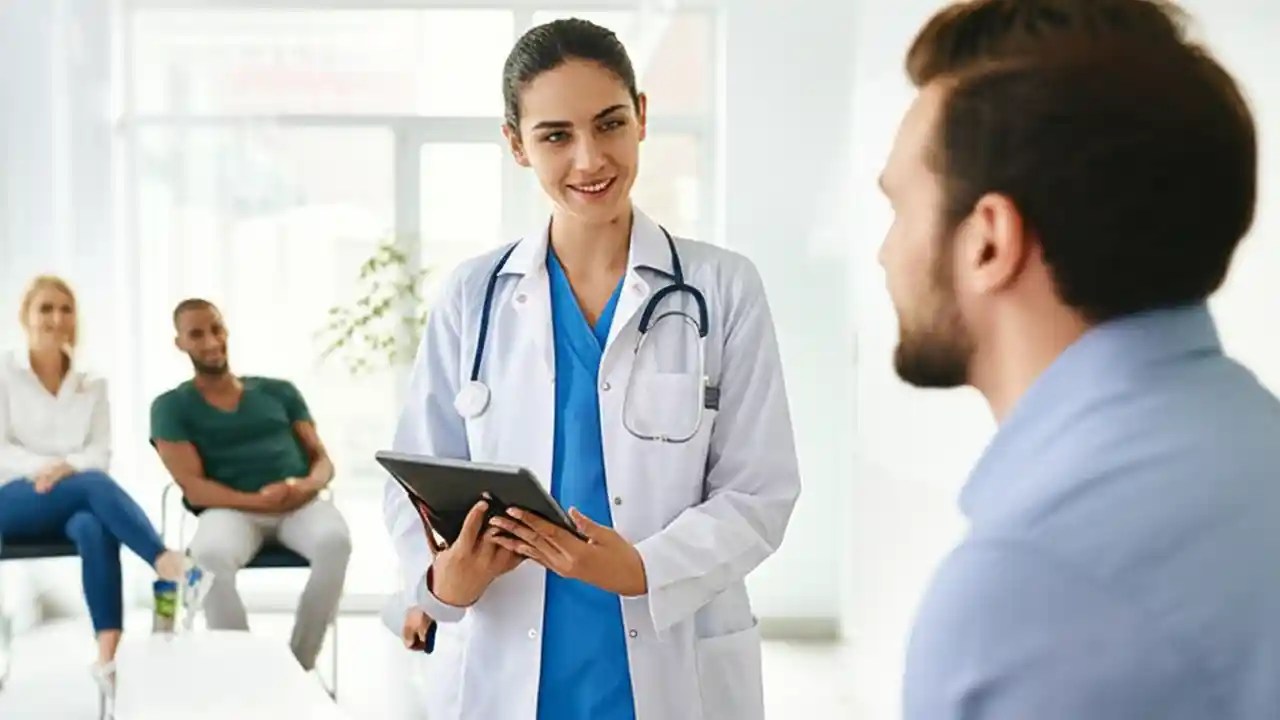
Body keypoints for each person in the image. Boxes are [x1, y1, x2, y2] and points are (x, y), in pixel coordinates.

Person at [383, 18, 801, 720]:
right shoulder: (474, 294)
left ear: (641, 116)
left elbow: (759, 492)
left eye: (609, 123)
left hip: (670, 663)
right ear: (516, 145)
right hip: (505, 665)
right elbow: (415, 479)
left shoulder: (721, 287)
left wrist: (640, 569)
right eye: (555, 135)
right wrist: (442, 582)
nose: (589, 159)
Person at [878, 1, 1277, 717]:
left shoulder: (1028, 586)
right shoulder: (1256, 444)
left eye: (901, 209)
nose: (886, 254)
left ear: (989, 242)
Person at [0, 275, 188, 690]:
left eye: (65, 308)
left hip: (71, 497)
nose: (56, 317)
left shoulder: (92, 383)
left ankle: (106, 658)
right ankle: (166, 562)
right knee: (91, 487)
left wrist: (66, 469)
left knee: (92, 524)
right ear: (26, 316)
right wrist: (52, 468)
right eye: (45, 308)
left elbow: (99, 454)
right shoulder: (5, 373)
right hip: (10, 500)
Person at [150, 298, 351, 672]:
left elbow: (323, 462)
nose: (210, 341)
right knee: (207, 556)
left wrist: (302, 486)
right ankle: (245, 671)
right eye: (197, 334)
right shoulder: (171, 407)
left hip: (299, 505)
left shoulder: (279, 392)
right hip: (229, 512)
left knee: (335, 541)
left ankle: (298, 666)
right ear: (180, 343)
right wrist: (259, 499)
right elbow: (194, 488)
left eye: (216, 328)